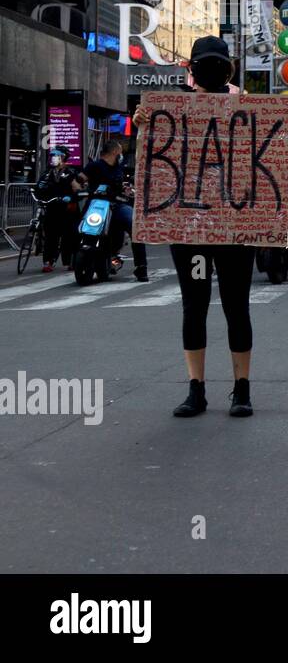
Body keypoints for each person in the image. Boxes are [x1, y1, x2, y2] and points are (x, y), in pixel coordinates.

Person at [134, 36, 257, 418]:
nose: (212, 71)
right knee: (195, 306)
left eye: (217, 65)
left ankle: (241, 389)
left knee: (237, 307)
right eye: (206, 64)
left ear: (228, 70)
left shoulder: (248, 109)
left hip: (234, 230)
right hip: (189, 232)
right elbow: (152, 161)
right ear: (191, 69)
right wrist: (141, 126)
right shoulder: (168, 108)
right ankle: (196, 389)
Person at [80, 139, 148, 280]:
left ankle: (141, 268)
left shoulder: (118, 168)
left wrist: (127, 190)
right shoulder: (94, 166)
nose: (121, 155)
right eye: (120, 152)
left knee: (134, 225)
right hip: (96, 206)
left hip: (117, 205)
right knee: (78, 225)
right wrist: (76, 189)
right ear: (115, 152)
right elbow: (78, 180)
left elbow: (121, 187)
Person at [32, 146, 80, 272]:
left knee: (69, 236)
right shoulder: (47, 173)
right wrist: (36, 192)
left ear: (63, 158)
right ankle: (48, 261)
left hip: (68, 209)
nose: (52, 158)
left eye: (56, 156)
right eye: (51, 156)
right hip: (52, 208)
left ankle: (70, 261)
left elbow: (78, 189)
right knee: (50, 236)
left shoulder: (70, 172)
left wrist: (71, 197)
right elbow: (39, 188)